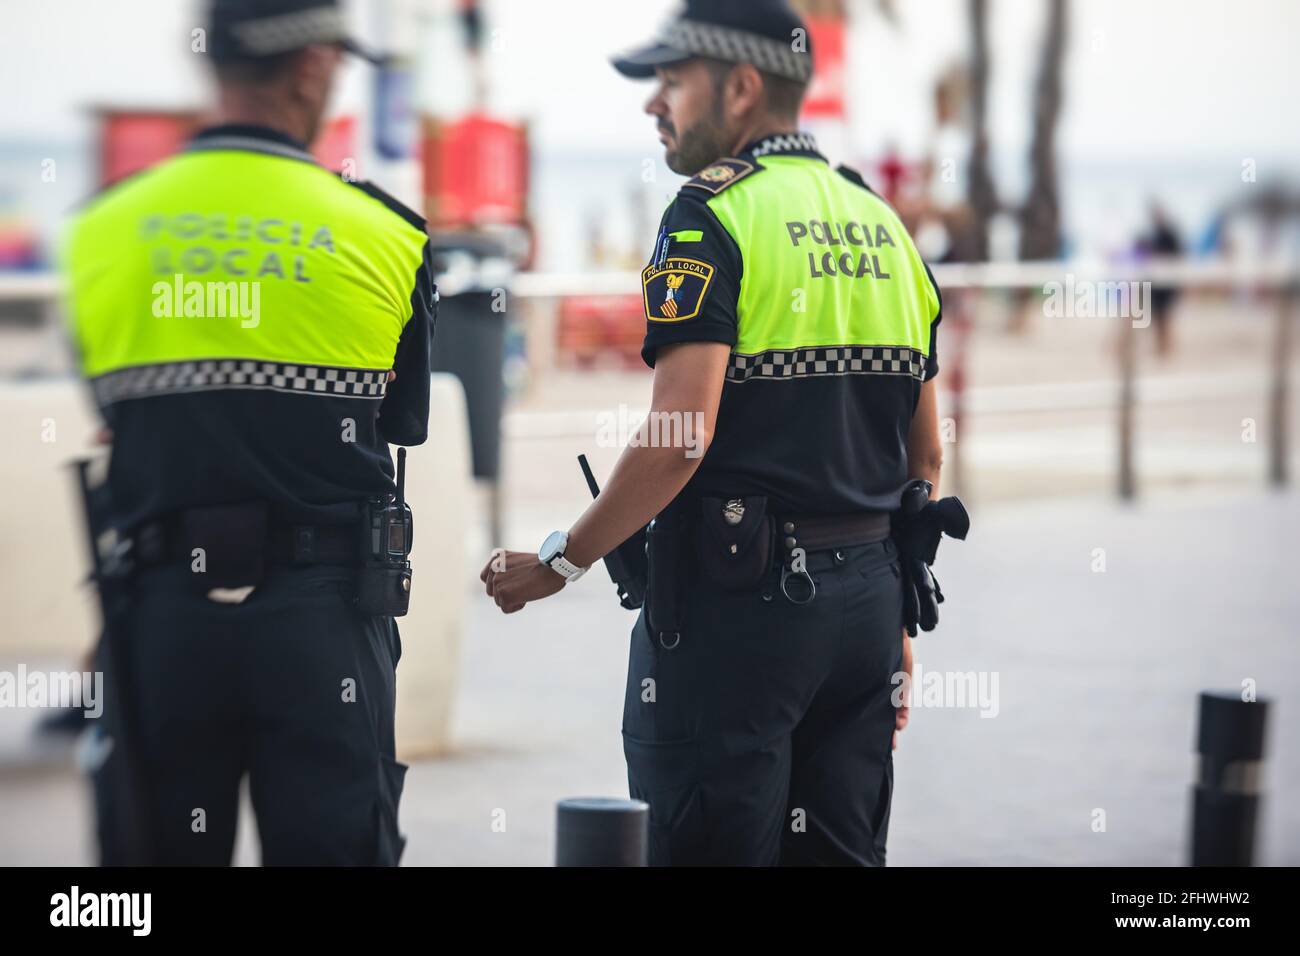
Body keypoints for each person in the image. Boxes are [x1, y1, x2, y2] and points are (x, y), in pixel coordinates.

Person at [481, 0, 957, 866]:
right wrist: (894, 625)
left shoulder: (708, 216)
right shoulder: (883, 224)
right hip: (867, 610)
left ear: (740, 88)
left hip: (741, 624)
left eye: (672, 80)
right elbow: (922, 458)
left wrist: (560, 561)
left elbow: (678, 436)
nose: (653, 102)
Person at [60, 0, 435, 865]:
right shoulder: (387, 232)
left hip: (160, 616)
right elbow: (402, 421)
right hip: (326, 619)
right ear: (309, 66)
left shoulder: (104, 230)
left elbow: (119, 414)